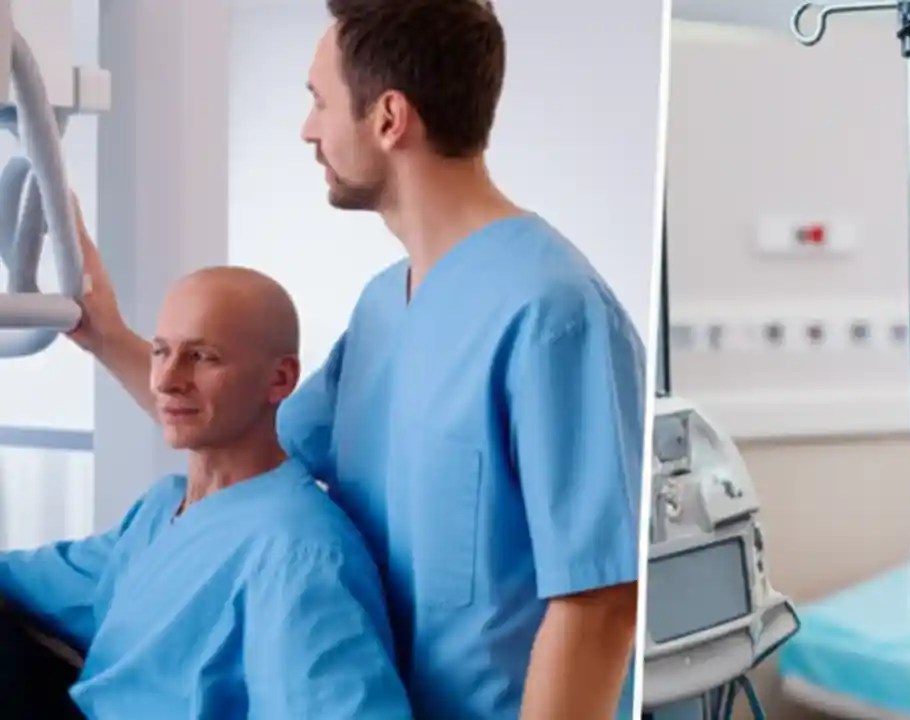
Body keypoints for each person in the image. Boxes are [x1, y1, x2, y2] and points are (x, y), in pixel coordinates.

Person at [67, 1, 644, 718]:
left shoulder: (553, 312)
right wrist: (107, 336)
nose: (308, 128)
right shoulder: (383, 309)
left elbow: (601, 601)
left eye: (319, 100)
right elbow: (244, 427)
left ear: (390, 117)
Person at [0, 267, 412, 718]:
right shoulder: (162, 509)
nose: (168, 380)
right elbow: (64, 581)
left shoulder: (296, 552)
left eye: (203, 357)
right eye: (161, 352)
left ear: (280, 379)